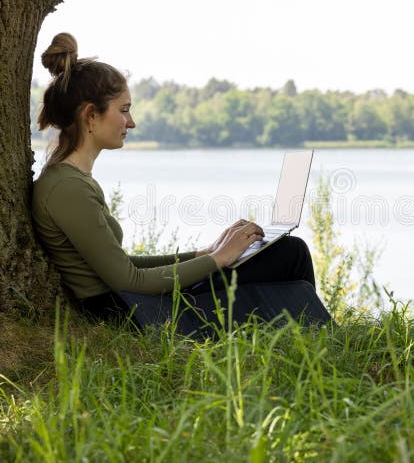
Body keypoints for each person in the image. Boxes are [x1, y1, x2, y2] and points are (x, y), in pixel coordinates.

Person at [31, 32, 330, 336]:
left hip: (136, 304)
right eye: (123, 110)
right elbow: (129, 280)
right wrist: (218, 258)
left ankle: (308, 339)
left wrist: (203, 253)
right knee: (290, 255)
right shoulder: (67, 188)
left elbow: (122, 265)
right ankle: (315, 342)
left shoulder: (73, 181)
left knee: (286, 252)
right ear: (91, 115)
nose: (131, 122)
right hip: (136, 315)